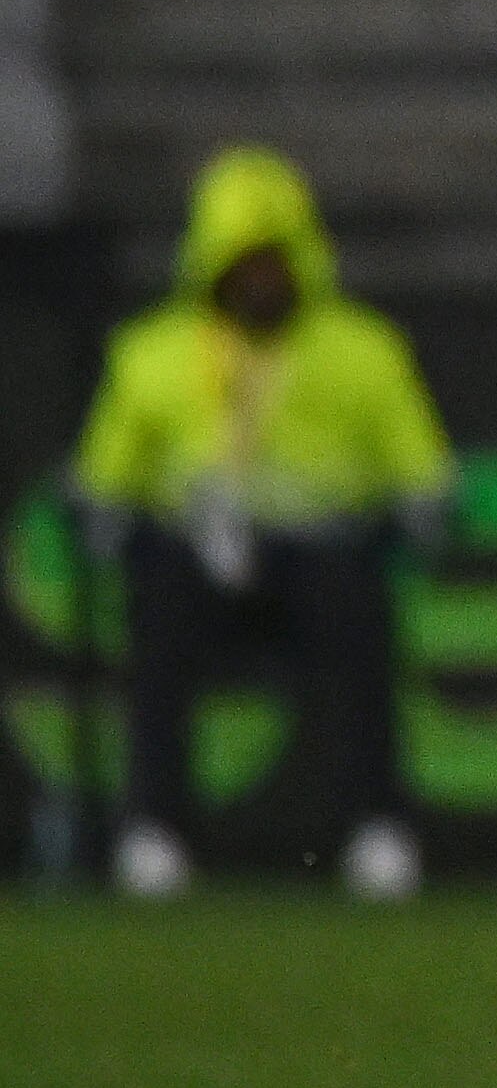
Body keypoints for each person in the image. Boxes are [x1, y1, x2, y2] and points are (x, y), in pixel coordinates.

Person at [70, 149, 454, 903]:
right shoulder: (151, 355)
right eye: (243, 262)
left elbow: (424, 478)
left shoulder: (363, 350)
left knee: (356, 610)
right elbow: (101, 485)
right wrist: (146, 530)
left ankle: (376, 828)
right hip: (196, 555)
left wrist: (391, 526)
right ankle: (154, 830)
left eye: (273, 262)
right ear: (209, 262)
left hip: (319, 554)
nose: (260, 280)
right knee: (158, 614)